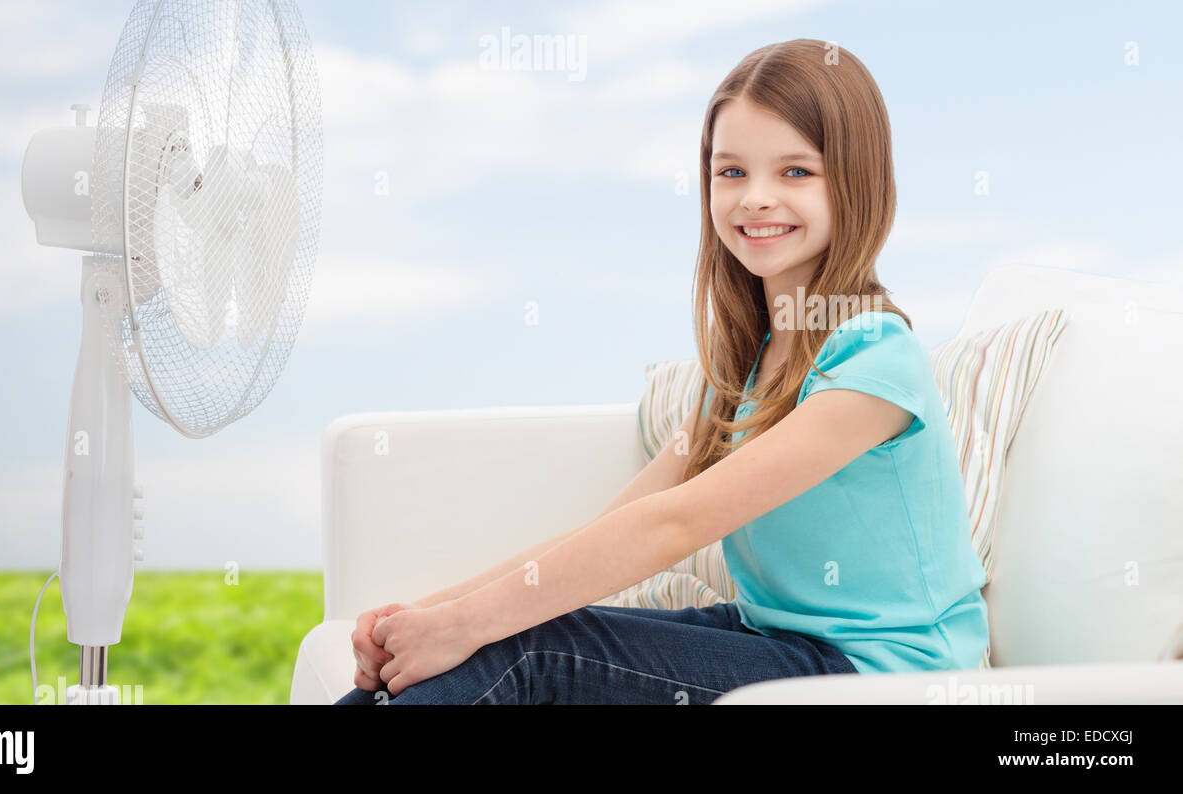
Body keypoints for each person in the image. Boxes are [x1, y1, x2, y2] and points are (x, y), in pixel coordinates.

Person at [335, 39, 988, 704]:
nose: (756, 198)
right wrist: (420, 620)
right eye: (731, 172)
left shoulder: (874, 357)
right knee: (501, 639)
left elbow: (673, 525)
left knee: (527, 649)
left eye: (795, 172)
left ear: (858, 181)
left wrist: (463, 625)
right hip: (778, 643)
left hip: (884, 680)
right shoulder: (747, 367)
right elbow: (618, 522)